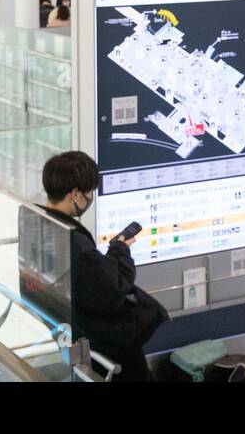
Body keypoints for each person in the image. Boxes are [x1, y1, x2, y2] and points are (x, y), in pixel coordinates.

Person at [38, 151, 168, 381]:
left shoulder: (39, 223)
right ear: (75, 194)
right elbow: (116, 287)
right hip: (102, 342)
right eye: (89, 192)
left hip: (71, 329)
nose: (90, 198)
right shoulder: (74, 242)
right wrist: (120, 249)